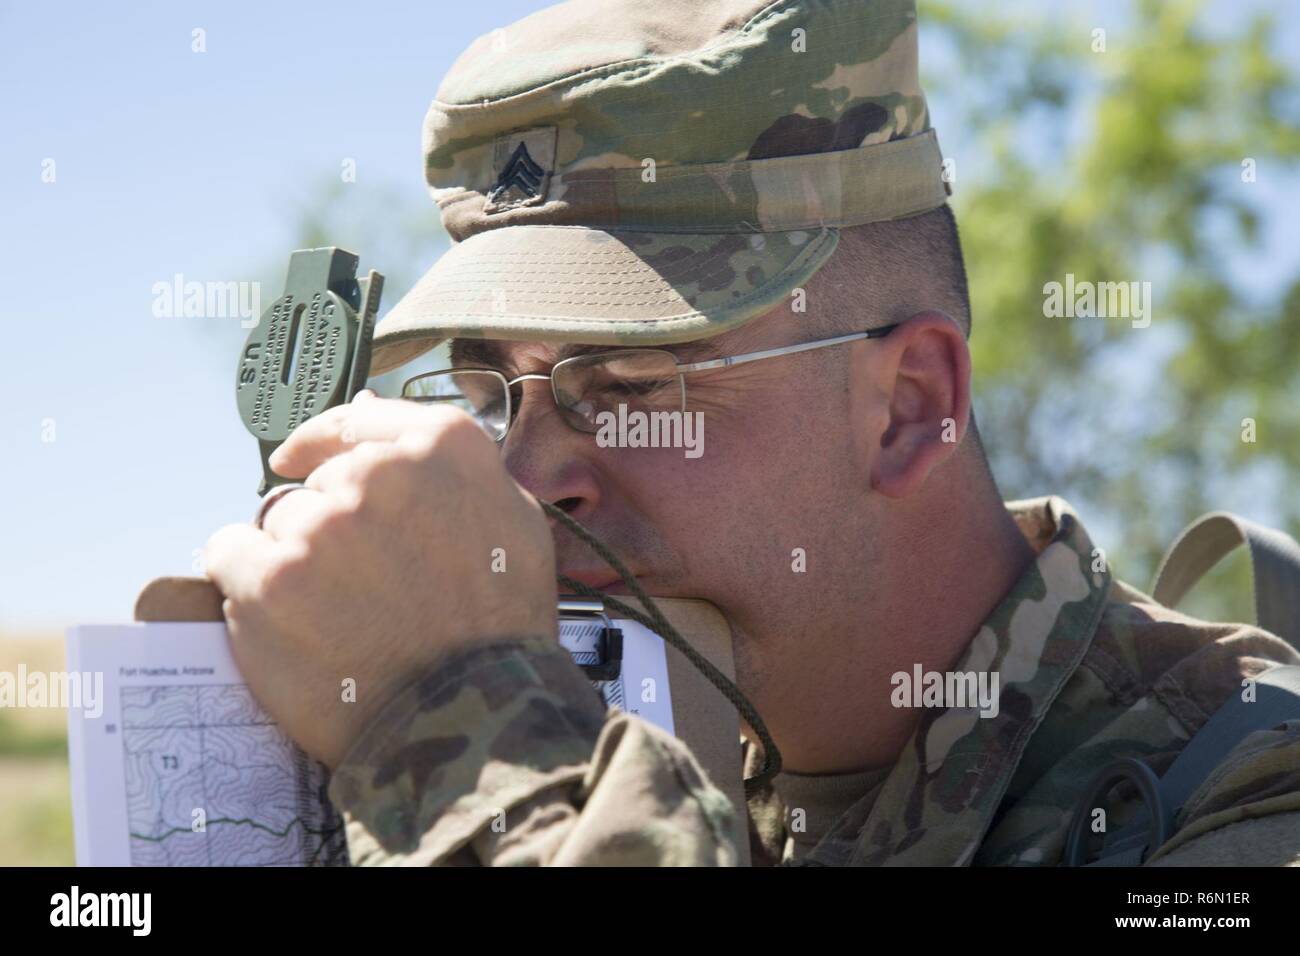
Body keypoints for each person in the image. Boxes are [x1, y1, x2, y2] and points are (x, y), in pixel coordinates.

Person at [204, 0, 1300, 866]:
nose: (528, 474)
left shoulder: (1241, 798)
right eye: (493, 394)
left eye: (627, 384)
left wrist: (449, 731)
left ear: (909, 405)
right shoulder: (633, 745)